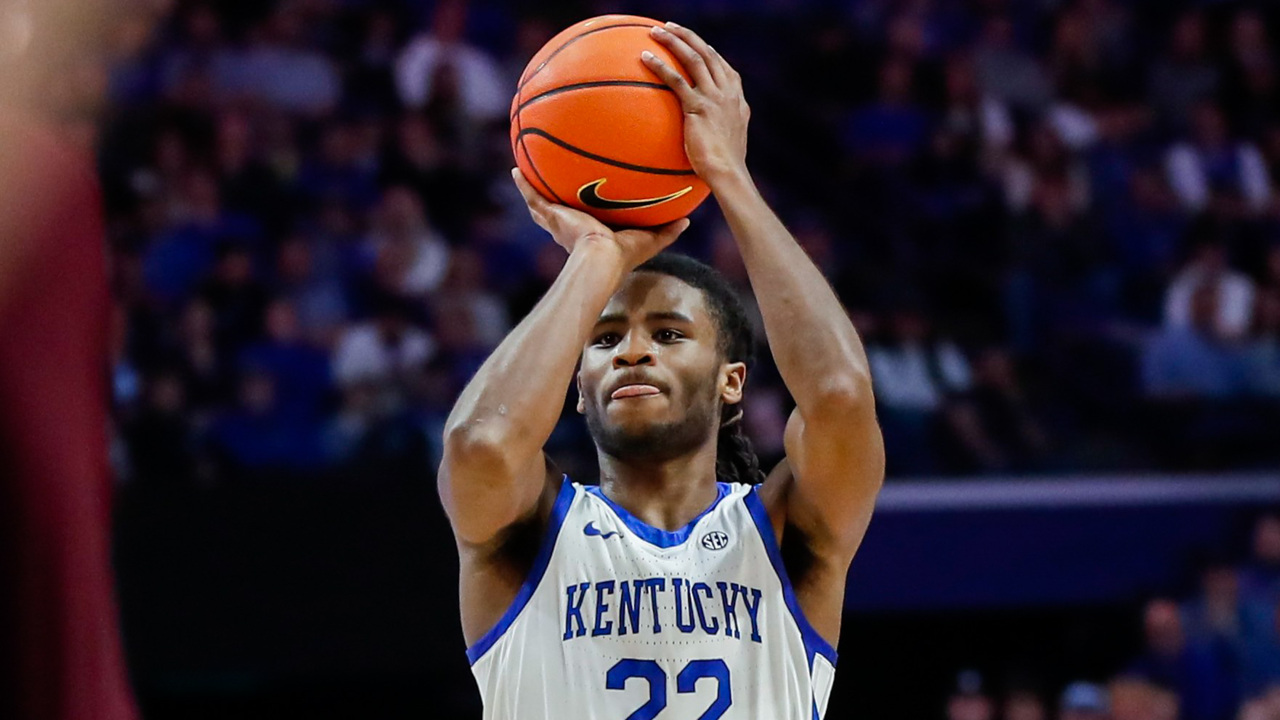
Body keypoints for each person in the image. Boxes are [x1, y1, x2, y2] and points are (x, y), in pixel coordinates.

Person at [438, 22, 884, 720]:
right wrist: (593, 257)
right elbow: (480, 445)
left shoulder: (789, 533)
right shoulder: (528, 533)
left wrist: (728, 177)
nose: (632, 351)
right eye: (605, 337)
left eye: (669, 332)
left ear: (733, 380)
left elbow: (839, 396)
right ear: (576, 390)